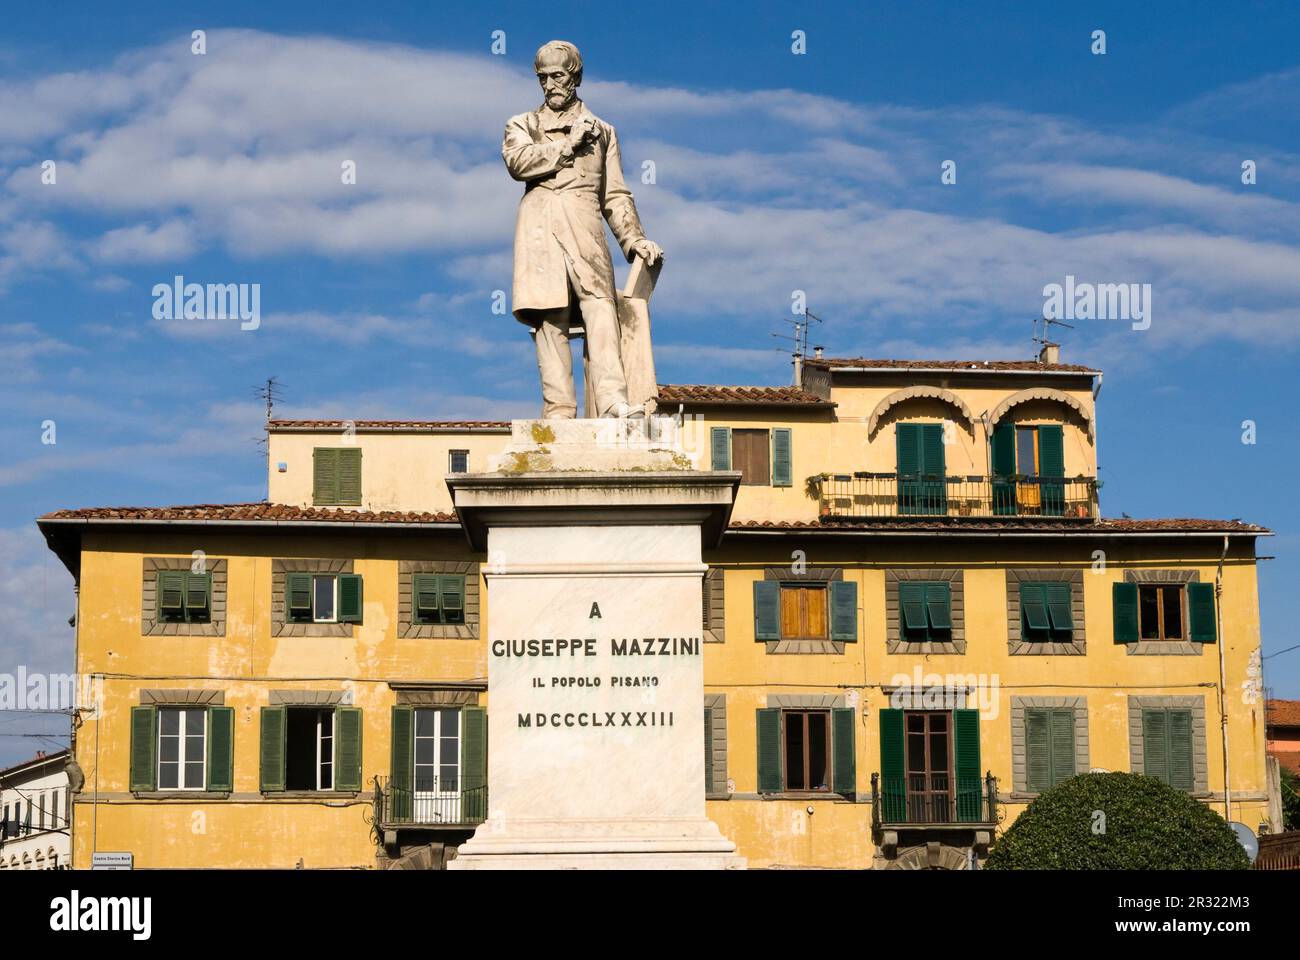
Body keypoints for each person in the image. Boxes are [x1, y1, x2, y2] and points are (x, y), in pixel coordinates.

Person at [503, 40, 664, 419]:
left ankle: (612, 401)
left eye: (556, 75)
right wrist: (567, 146)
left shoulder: (604, 131)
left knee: (601, 308)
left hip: (585, 222)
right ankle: (558, 410)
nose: (548, 84)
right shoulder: (522, 124)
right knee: (549, 316)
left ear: (575, 76)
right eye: (542, 77)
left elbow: (615, 193)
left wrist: (634, 238)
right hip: (538, 227)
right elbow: (517, 162)